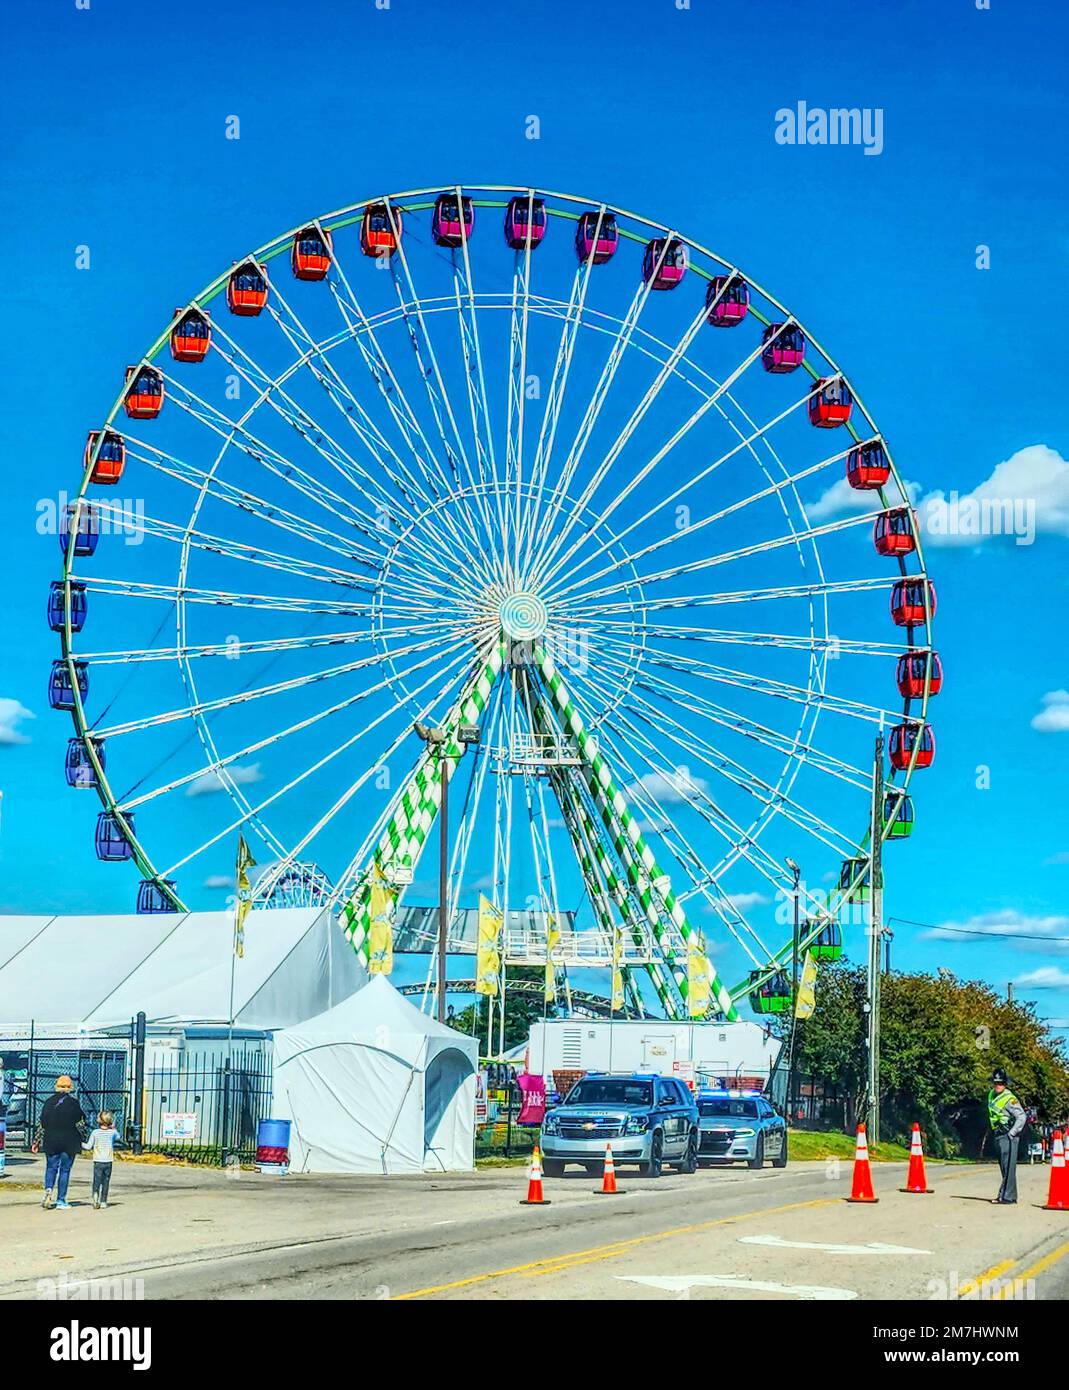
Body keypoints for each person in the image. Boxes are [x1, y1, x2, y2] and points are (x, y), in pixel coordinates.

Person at [32, 1075, 86, 1210]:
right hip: (69, 1141)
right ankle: (61, 1200)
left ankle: (48, 1190)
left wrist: (36, 1141)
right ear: (70, 1087)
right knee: (65, 1170)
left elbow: (42, 1124)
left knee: (51, 1167)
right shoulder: (74, 1103)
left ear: (56, 1086)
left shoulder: (48, 1102)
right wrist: (84, 1138)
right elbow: (80, 1124)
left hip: (51, 1140)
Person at [988, 1068, 1026, 1205]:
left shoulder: (1010, 1099)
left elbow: (1021, 1116)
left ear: (1005, 1083)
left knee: (1008, 1167)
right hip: (998, 1133)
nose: (998, 1085)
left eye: (1001, 1083)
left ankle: (1005, 1197)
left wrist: (1012, 1133)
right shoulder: (992, 1095)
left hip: (1008, 1134)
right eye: (996, 1082)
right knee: (1005, 1167)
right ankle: (1010, 1195)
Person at [82, 1110, 120, 1209]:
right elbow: (118, 1137)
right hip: (108, 1161)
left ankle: (95, 1195)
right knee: (106, 1182)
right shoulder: (112, 1133)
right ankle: (103, 1201)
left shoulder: (95, 1132)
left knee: (96, 1180)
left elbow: (88, 1146)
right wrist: (114, 1128)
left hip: (98, 1160)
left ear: (99, 1120)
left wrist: (79, 1143)